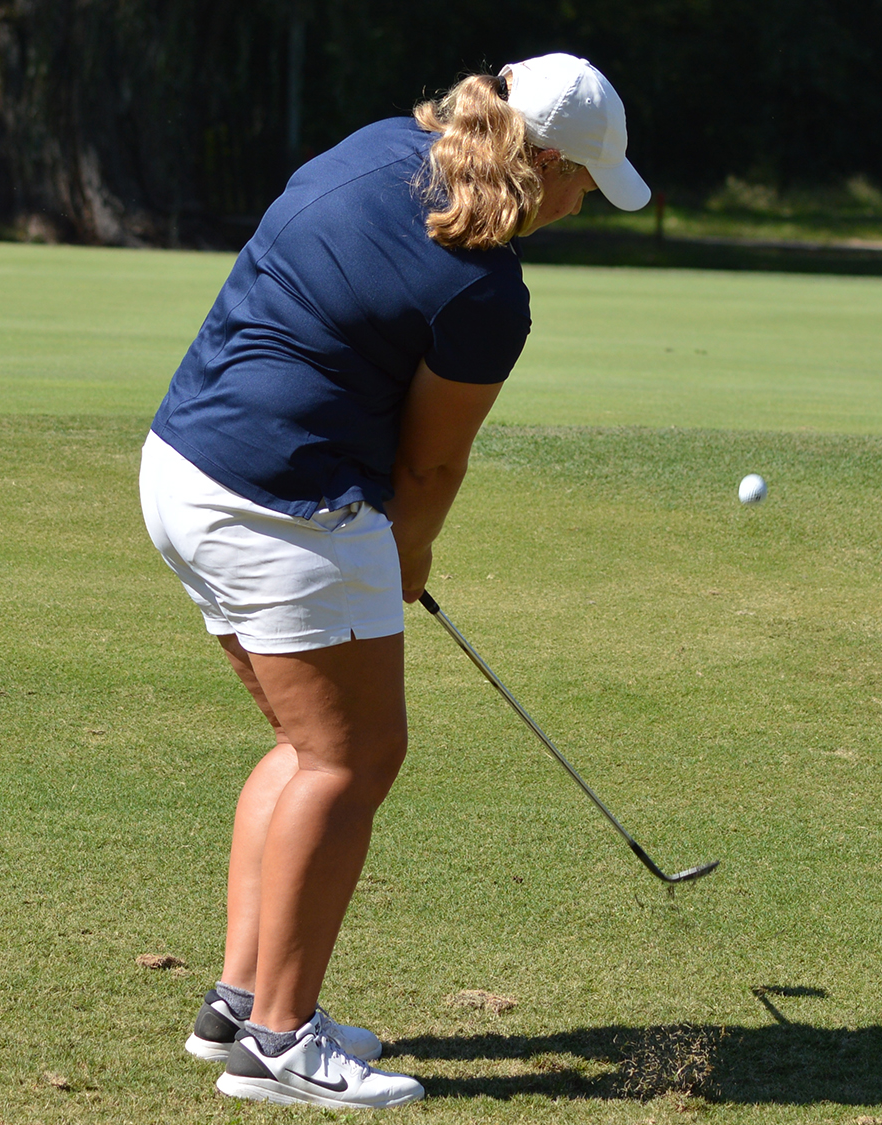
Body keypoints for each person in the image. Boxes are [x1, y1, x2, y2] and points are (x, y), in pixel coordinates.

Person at [138, 53, 651, 1109]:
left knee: (306, 744)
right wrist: (407, 554)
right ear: (546, 165)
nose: (579, 206)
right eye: (585, 186)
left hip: (182, 468)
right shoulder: (482, 289)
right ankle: (280, 1044)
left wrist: (390, 553)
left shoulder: (376, 145)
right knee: (352, 754)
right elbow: (428, 465)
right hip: (278, 506)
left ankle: (240, 1003)